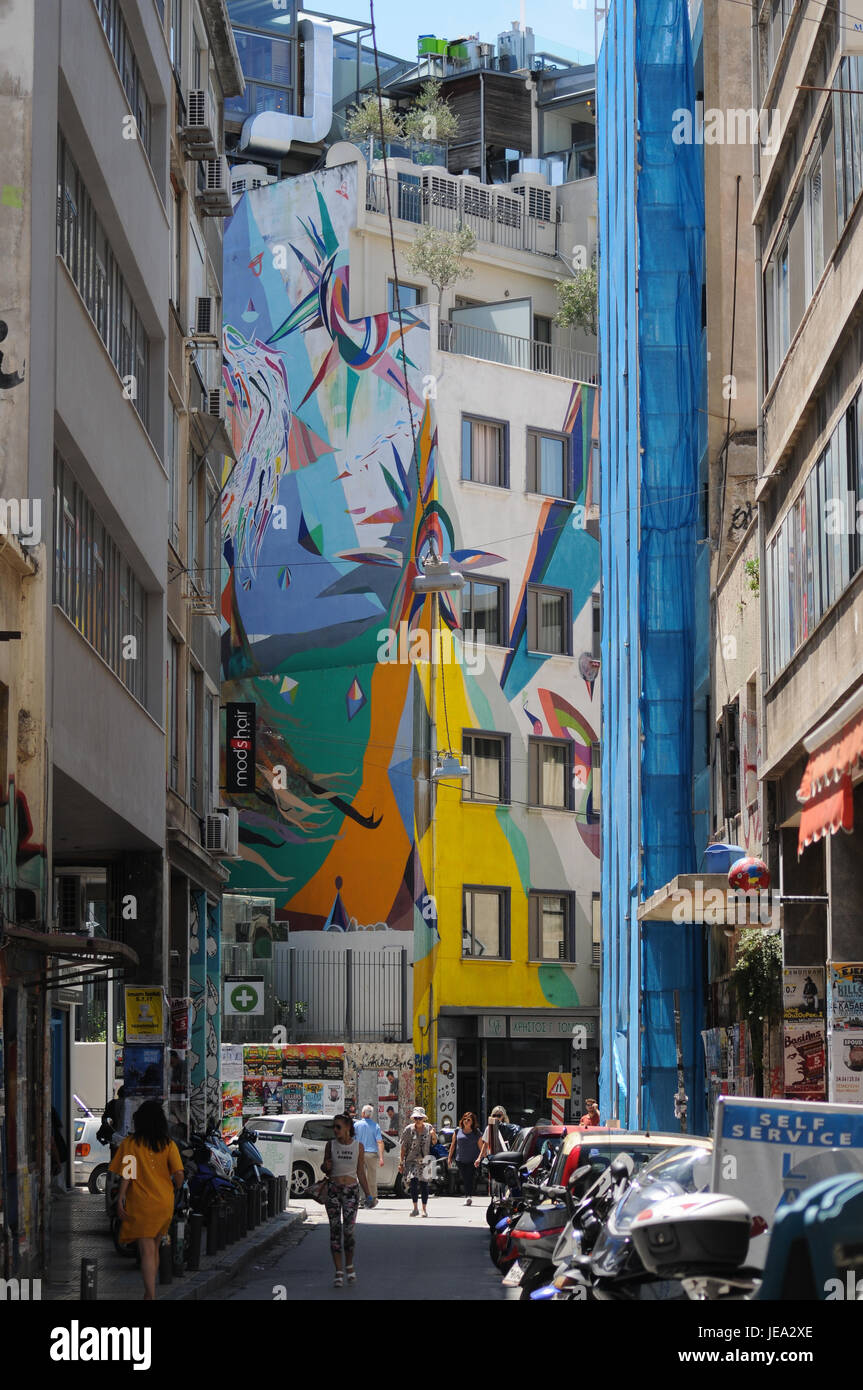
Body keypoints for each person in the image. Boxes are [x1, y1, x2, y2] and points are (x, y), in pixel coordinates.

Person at [108, 1100, 184, 1301]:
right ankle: (149, 1292)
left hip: (141, 1204)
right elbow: (179, 1175)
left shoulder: (131, 1144)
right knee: (154, 1247)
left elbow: (127, 1174)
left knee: (146, 1250)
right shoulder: (168, 1145)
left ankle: (150, 1294)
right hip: (164, 1204)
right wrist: (174, 1186)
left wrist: (121, 1198)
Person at [321, 1113, 371, 1287]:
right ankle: (338, 1271)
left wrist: (369, 1194)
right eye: (334, 1127)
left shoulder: (359, 1147)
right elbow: (325, 1168)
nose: (335, 1130)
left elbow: (360, 1173)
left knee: (348, 1231)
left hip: (351, 1191)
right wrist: (325, 1167)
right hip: (333, 1190)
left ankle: (349, 1265)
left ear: (348, 1127)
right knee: (334, 1231)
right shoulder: (330, 1145)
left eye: (338, 1127)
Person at [399, 1106, 437, 1218]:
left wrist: (433, 1135)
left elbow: (434, 1142)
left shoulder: (429, 1128)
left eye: (420, 1118)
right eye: (416, 1118)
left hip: (425, 1161)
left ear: (424, 1118)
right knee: (414, 1183)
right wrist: (401, 1162)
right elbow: (403, 1147)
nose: (418, 1120)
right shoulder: (408, 1129)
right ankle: (415, 1208)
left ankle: (424, 1209)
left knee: (424, 1185)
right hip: (412, 1160)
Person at [354, 1104, 385, 1208]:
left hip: (359, 1154)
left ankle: (361, 1199)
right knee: (371, 1177)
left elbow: (352, 1140)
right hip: (371, 1155)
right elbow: (380, 1142)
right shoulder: (375, 1126)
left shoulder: (356, 1125)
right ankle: (373, 1198)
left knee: (360, 1176)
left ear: (363, 1113)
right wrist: (381, 1157)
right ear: (371, 1115)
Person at [448, 1111, 481, 1206]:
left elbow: (481, 1146)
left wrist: (481, 1157)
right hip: (460, 1159)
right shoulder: (457, 1131)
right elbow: (453, 1145)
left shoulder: (476, 1132)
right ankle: (468, 1195)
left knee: (469, 1177)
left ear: (472, 1122)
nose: (466, 1121)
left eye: (469, 1120)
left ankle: (468, 1196)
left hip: (472, 1160)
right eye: (464, 1119)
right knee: (465, 1177)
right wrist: (449, 1157)